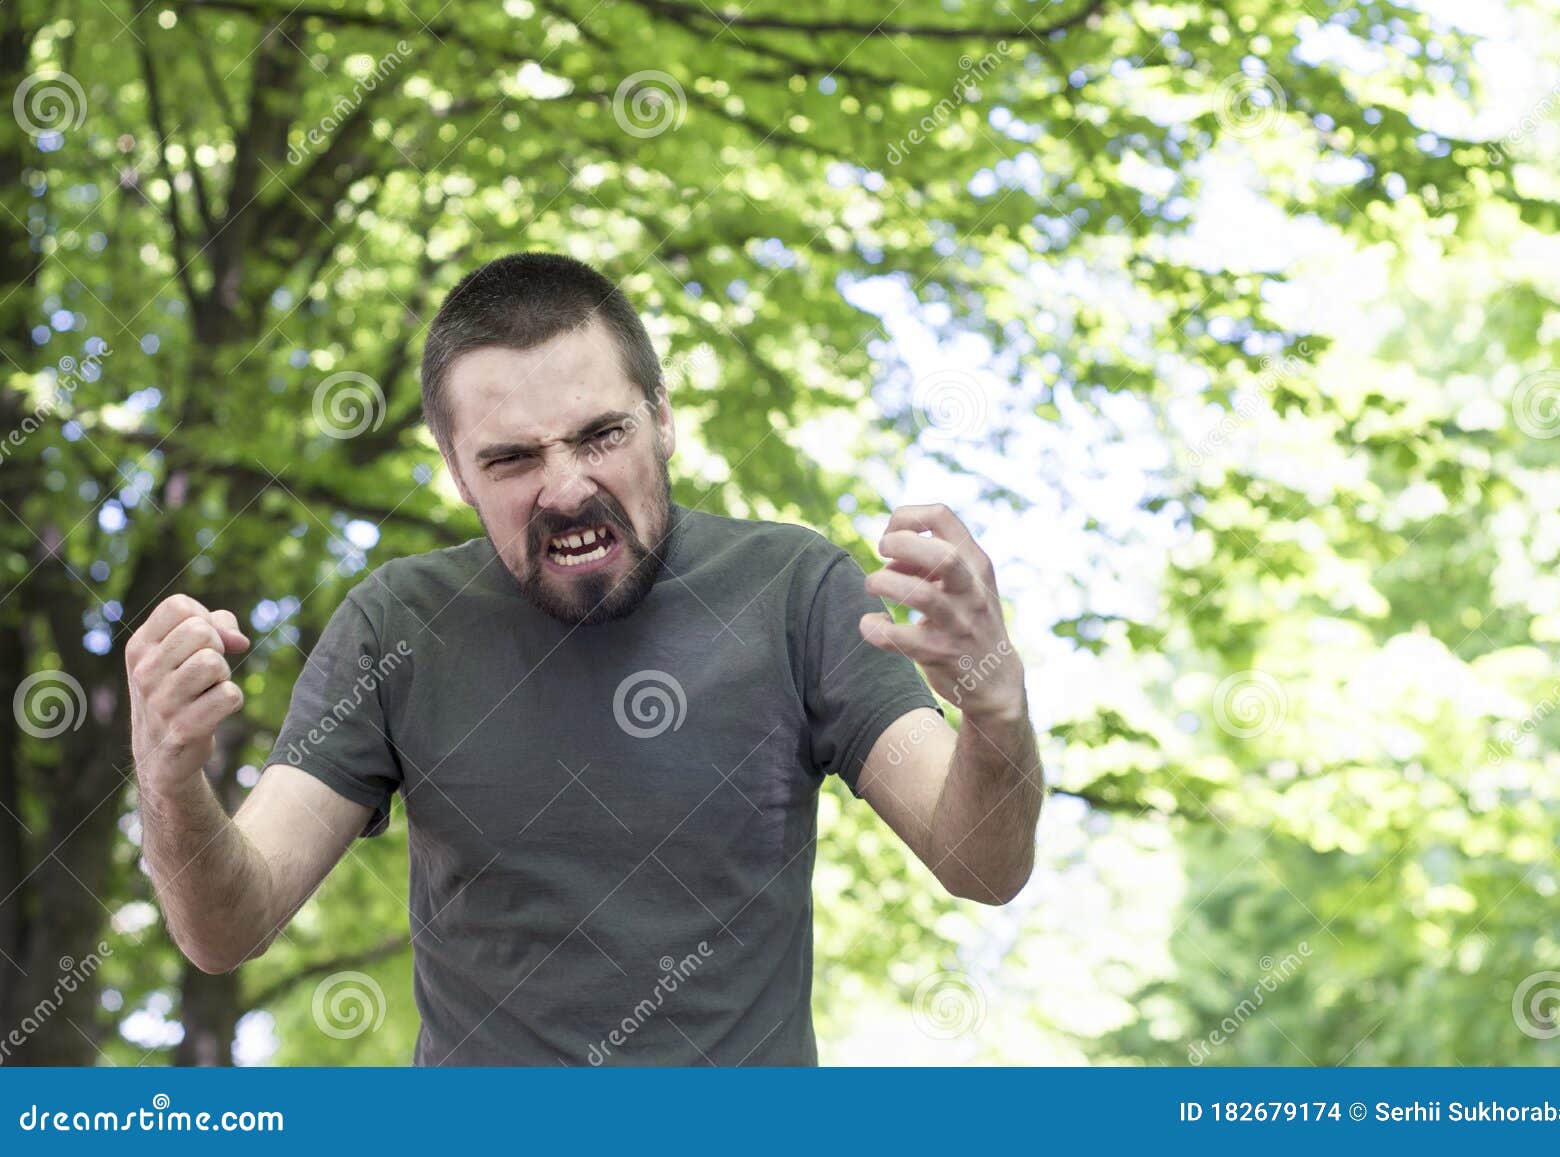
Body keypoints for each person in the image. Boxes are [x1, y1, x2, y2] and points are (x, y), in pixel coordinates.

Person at [125, 252, 1043, 1065]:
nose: (566, 488)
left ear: (663, 418)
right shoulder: (394, 624)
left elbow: (981, 862)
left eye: (602, 435)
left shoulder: (795, 590)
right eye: (512, 459)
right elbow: (228, 926)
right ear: (456, 469)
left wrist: (995, 707)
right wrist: (167, 777)